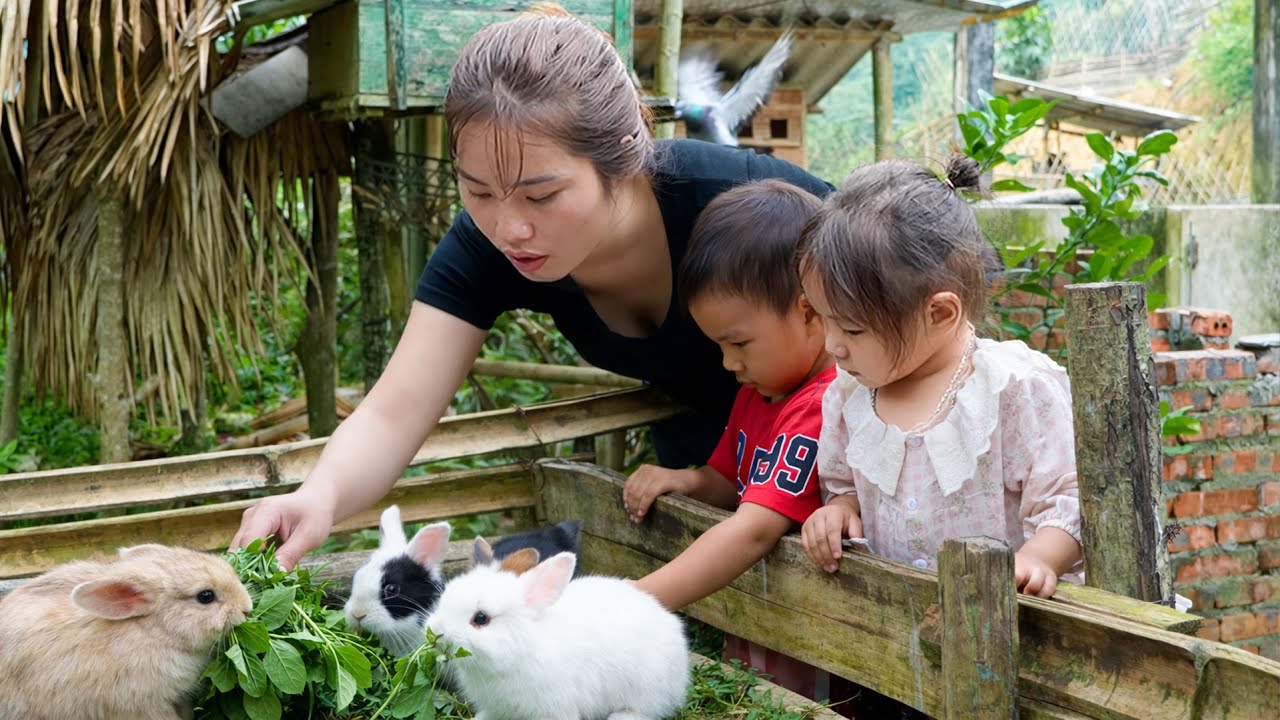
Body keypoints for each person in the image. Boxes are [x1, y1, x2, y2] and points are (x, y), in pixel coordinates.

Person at [230, 10, 832, 569]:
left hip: (836, 491)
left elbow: (908, 305)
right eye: (479, 192)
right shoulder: (482, 247)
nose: (509, 228)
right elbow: (395, 409)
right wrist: (318, 496)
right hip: (701, 486)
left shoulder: (748, 203)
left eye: (541, 195)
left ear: (621, 157)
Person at [798, 156, 1083, 599]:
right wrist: (840, 510)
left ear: (940, 313)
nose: (833, 344)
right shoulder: (850, 396)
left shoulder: (1012, 389)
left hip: (1014, 627)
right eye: (825, 321)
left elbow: (1068, 499)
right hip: (899, 634)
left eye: (852, 328)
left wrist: (1040, 558)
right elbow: (844, 485)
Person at [621, 179, 848, 710]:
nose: (728, 363)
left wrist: (632, 602)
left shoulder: (822, 406)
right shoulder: (761, 393)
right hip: (765, 626)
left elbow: (751, 531)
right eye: (719, 346)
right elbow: (730, 481)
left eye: (739, 342)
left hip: (824, 647)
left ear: (810, 312)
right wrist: (684, 480)